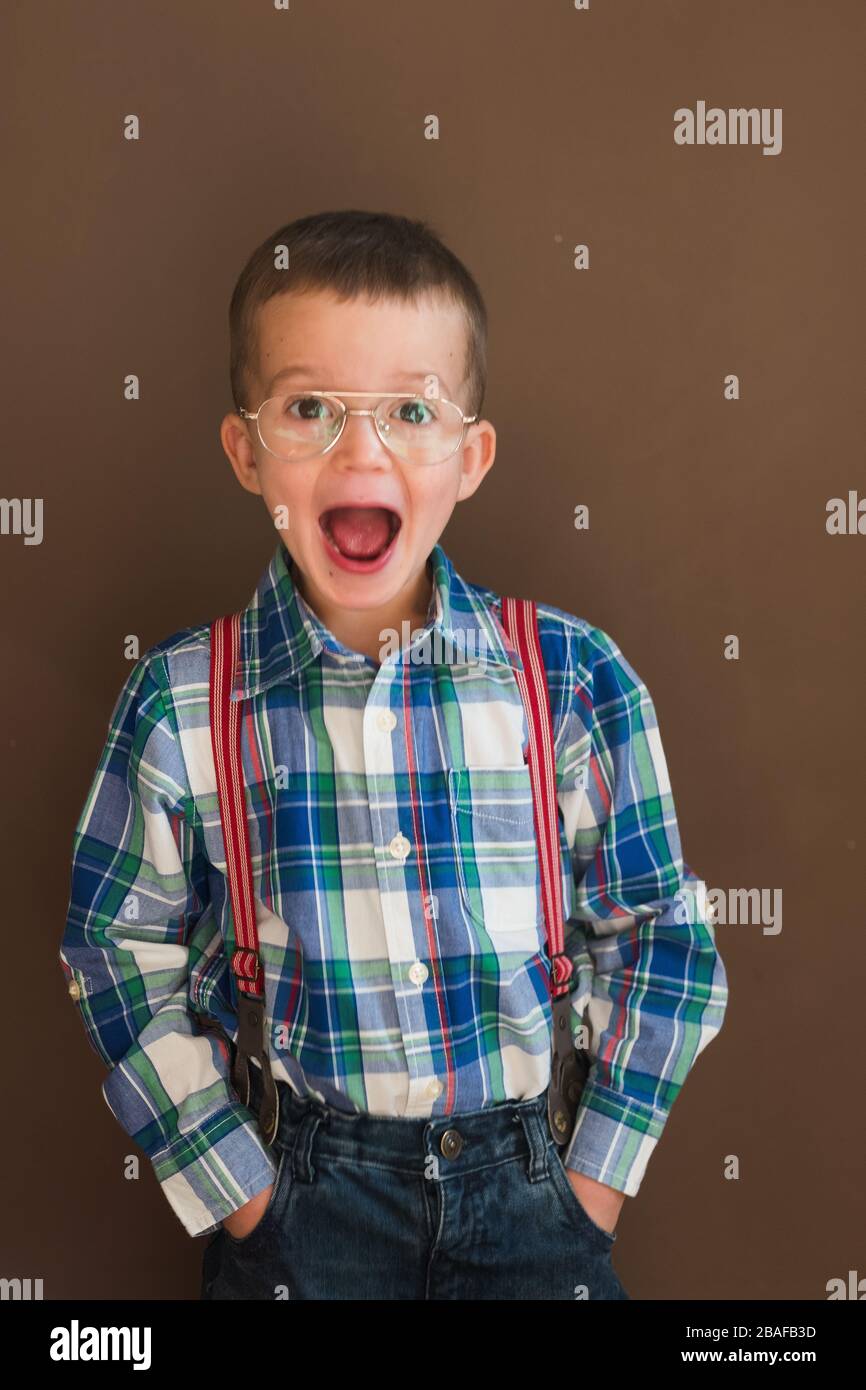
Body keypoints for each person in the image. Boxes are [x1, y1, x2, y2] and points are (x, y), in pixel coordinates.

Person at [59, 209, 729, 1300]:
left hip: (533, 1199)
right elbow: (115, 948)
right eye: (310, 406)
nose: (359, 450)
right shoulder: (181, 699)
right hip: (298, 1207)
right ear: (245, 449)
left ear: (468, 458)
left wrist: (590, 1186)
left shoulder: (570, 679)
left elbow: (658, 936)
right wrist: (241, 1191)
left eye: (409, 411)